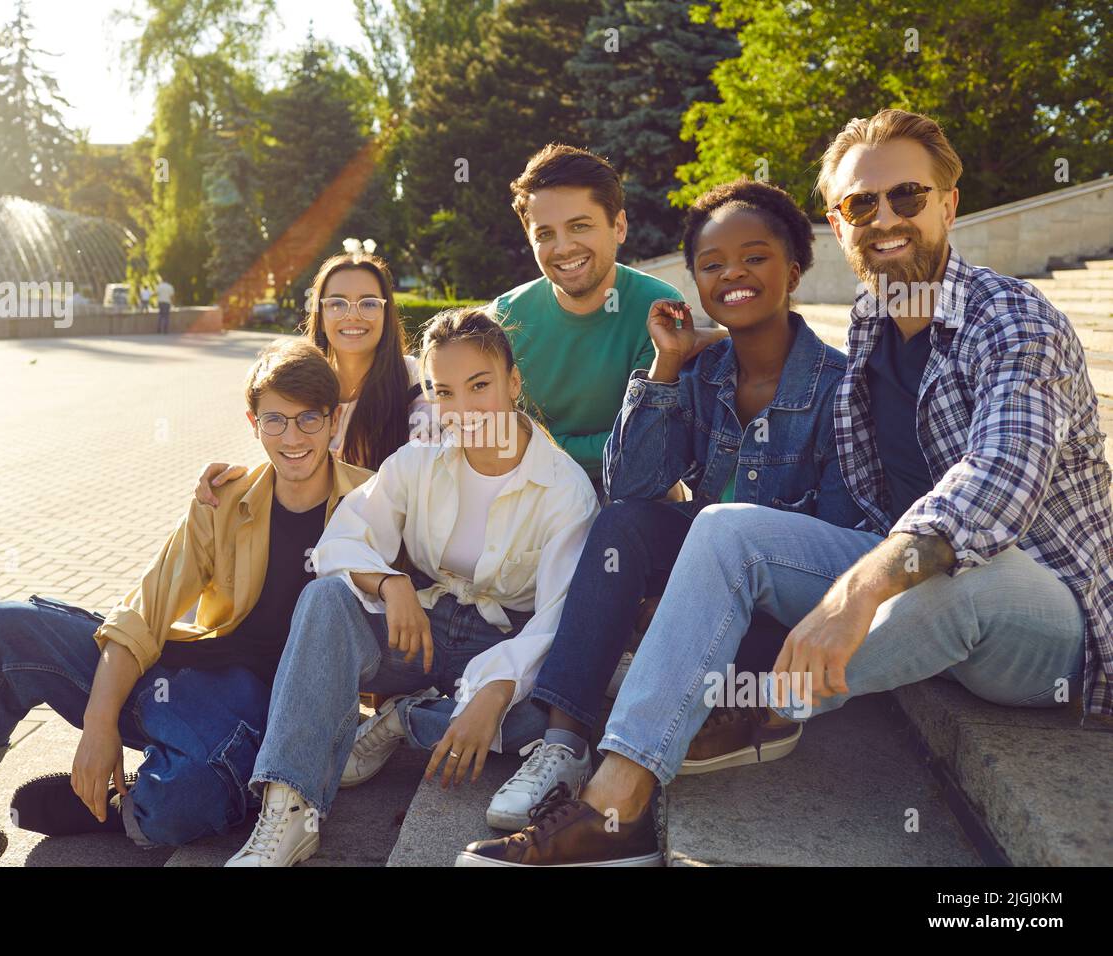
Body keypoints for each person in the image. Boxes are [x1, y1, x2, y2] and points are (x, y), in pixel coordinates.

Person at [458, 108, 1113, 867]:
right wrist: (686, 363)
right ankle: (615, 808)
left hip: (1044, 617)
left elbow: (999, 483)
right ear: (838, 224)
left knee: (968, 572)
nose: (886, 218)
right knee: (723, 526)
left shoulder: (1012, 318)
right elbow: (645, 488)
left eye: (907, 195)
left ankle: (756, 705)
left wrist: (857, 592)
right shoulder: (874, 325)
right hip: (910, 582)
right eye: (860, 205)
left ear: (949, 204)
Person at [0, 340, 372, 866]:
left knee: (183, 801)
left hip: (260, 719)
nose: (293, 437)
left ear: (334, 419)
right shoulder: (224, 499)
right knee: (3, 628)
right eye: (276, 420)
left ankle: (117, 804)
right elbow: (145, 610)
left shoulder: (373, 505)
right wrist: (100, 727)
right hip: (182, 675)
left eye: (309, 419)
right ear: (253, 422)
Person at [476, 180, 866, 833]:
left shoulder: (840, 386)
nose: (732, 274)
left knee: (723, 594)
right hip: (707, 574)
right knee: (621, 524)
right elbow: (631, 486)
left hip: (787, 612)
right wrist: (662, 367)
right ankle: (564, 741)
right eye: (712, 265)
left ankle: (708, 698)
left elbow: (831, 553)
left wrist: (697, 600)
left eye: (755, 258)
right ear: (695, 282)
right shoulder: (700, 373)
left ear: (795, 269)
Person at [224, 307, 599, 866]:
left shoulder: (562, 488)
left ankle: (404, 718)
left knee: (539, 723)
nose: (464, 409)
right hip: (420, 631)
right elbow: (338, 542)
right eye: (444, 391)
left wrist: (493, 691)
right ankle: (289, 809)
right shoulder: (417, 463)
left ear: (514, 382)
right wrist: (391, 583)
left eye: (480, 386)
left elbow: (557, 619)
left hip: (503, 643)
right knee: (325, 599)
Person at [497, 143, 726, 493]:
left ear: (618, 226)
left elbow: (645, 445)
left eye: (579, 226)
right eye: (544, 234)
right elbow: (495, 435)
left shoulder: (659, 308)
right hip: (528, 492)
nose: (563, 248)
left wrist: (537, 442)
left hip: (632, 494)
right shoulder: (503, 319)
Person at [194, 252, 427, 503]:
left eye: (368, 303)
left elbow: (437, 473)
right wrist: (238, 479)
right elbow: (288, 458)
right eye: (337, 303)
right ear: (321, 314)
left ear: (386, 313)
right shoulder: (304, 381)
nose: (352, 315)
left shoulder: (416, 382)